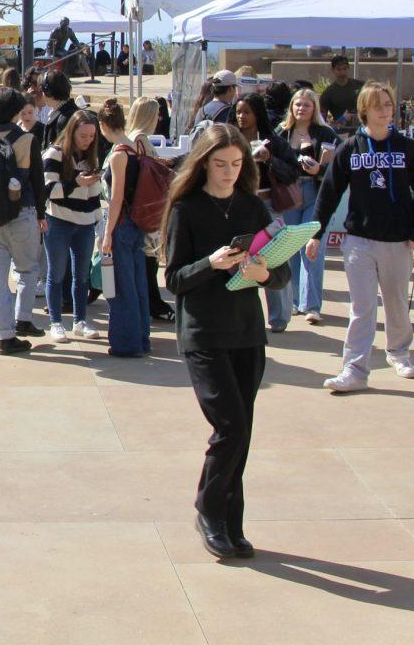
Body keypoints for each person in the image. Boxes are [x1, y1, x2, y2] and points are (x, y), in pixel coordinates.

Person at [163, 124, 289, 560]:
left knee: (241, 431)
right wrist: (211, 264)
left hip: (246, 332)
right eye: (220, 164)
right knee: (230, 426)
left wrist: (264, 273)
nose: (228, 172)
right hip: (203, 333)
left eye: (236, 164)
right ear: (203, 164)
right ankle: (210, 510)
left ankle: (232, 523)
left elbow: (281, 271)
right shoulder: (186, 210)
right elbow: (174, 278)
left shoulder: (252, 206)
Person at [306, 82, 414, 392]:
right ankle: (354, 370)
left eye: (388, 104)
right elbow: (329, 193)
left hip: (398, 242)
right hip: (359, 242)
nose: (386, 111)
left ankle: (399, 352)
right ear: (365, 110)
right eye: (378, 106)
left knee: (396, 304)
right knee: (362, 308)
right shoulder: (350, 148)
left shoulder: (407, 148)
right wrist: (316, 233)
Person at [0, 88, 47, 354]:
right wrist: (41, 215)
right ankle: (23, 318)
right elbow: (37, 181)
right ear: (15, 113)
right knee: (28, 271)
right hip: (21, 215)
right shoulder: (27, 140)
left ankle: (5, 335)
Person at [233, 92, 300, 332]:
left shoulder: (273, 142)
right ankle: (237, 317)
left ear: (257, 114)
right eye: (238, 112)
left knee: (273, 259)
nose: (241, 116)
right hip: (236, 205)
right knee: (236, 258)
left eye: (247, 112)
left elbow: (293, 172)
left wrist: (270, 159)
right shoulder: (230, 139)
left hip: (268, 206)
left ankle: (279, 318)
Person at [100, 98, 160, 357]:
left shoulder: (119, 154)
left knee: (122, 287)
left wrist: (107, 234)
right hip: (137, 224)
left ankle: (127, 342)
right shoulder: (138, 148)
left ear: (103, 125)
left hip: (122, 224)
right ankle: (142, 338)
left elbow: (116, 198)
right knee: (138, 284)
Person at [42, 109, 104, 343]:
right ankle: (55, 322)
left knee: (82, 276)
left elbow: (94, 194)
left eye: (92, 136)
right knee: (56, 273)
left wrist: (99, 221)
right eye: (83, 136)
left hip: (85, 223)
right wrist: (76, 182)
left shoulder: (91, 156)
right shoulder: (55, 154)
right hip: (59, 220)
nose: (88, 141)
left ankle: (80, 321)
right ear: (72, 132)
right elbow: (49, 190)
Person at [277, 88, 337, 324]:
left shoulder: (326, 133)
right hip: (288, 194)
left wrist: (319, 169)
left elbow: (340, 166)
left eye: (306, 105)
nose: (301, 109)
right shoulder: (282, 132)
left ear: (315, 109)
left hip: (316, 193)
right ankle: (294, 301)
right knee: (290, 247)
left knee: (312, 248)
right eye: (297, 104)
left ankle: (312, 306)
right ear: (291, 107)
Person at [317, 54, 364, 125]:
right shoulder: (327, 94)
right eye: (338, 69)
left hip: (363, 127)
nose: (342, 73)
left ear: (348, 68)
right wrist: (342, 119)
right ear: (333, 70)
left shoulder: (361, 86)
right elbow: (321, 121)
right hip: (341, 130)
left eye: (344, 69)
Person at [39, 69, 77, 147]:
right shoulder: (70, 111)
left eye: (42, 90)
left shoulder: (64, 119)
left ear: (48, 92)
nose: (41, 94)